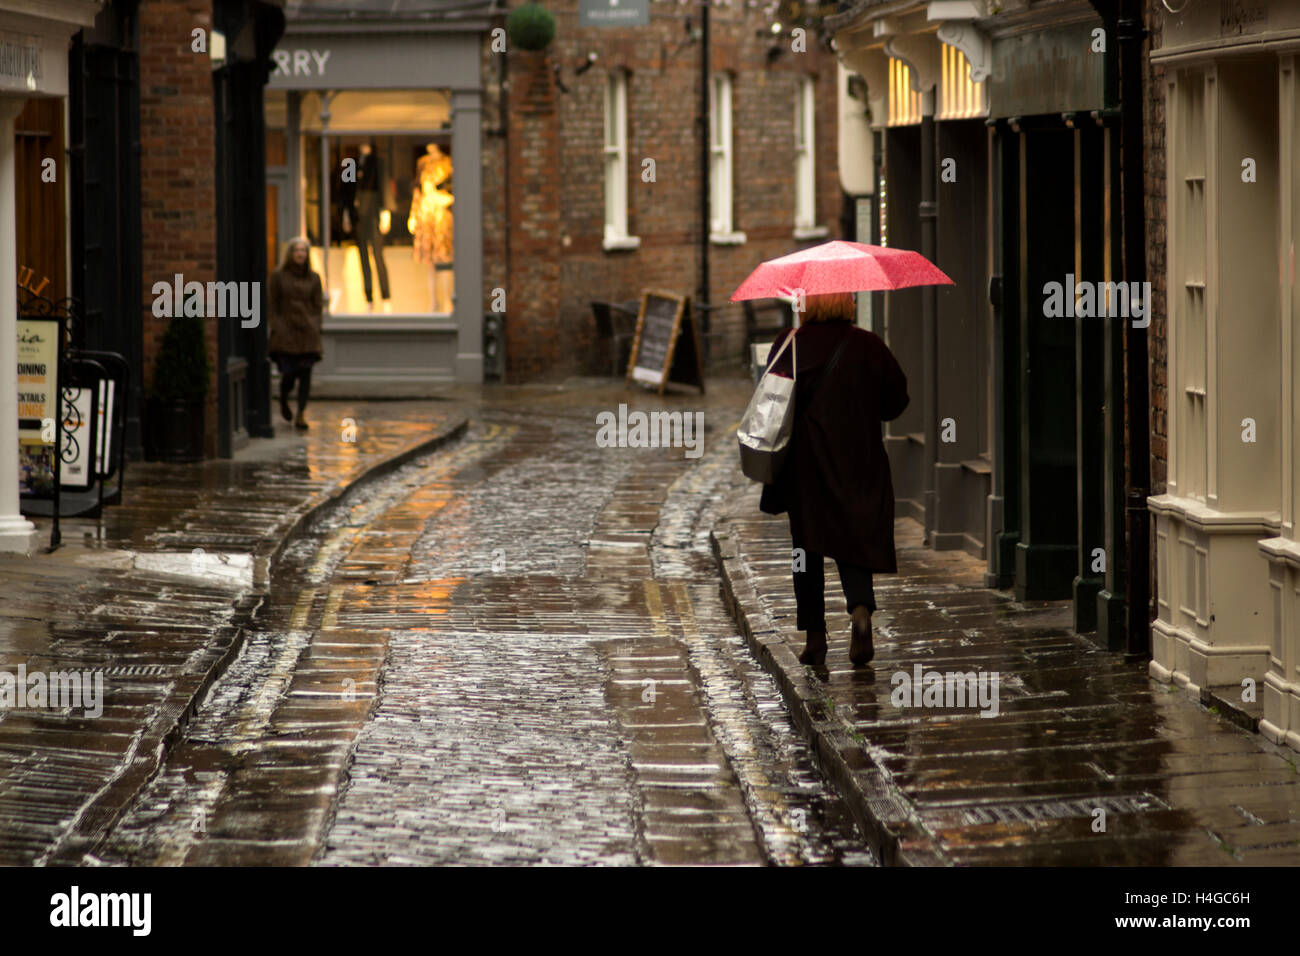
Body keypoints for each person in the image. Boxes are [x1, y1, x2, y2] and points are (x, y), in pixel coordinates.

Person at [759, 291, 909, 667]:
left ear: (806, 304)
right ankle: (860, 609)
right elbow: (897, 401)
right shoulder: (868, 345)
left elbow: (769, 401)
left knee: (804, 548)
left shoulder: (789, 344)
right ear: (846, 302)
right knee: (853, 539)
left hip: (805, 465)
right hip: (860, 461)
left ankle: (814, 637)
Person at [268, 237, 324, 430]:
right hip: (286, 333)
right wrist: (276, 325)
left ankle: (301, 413)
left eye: (303, 251)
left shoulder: (314, 278)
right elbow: (272, 303)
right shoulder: (278, 276)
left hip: (308, 333)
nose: (300, 254)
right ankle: (283, 399)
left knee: (306, 375)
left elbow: (317, 305)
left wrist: (315, 325)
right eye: (297, 250)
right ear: (290, 254)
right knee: (289, 374)